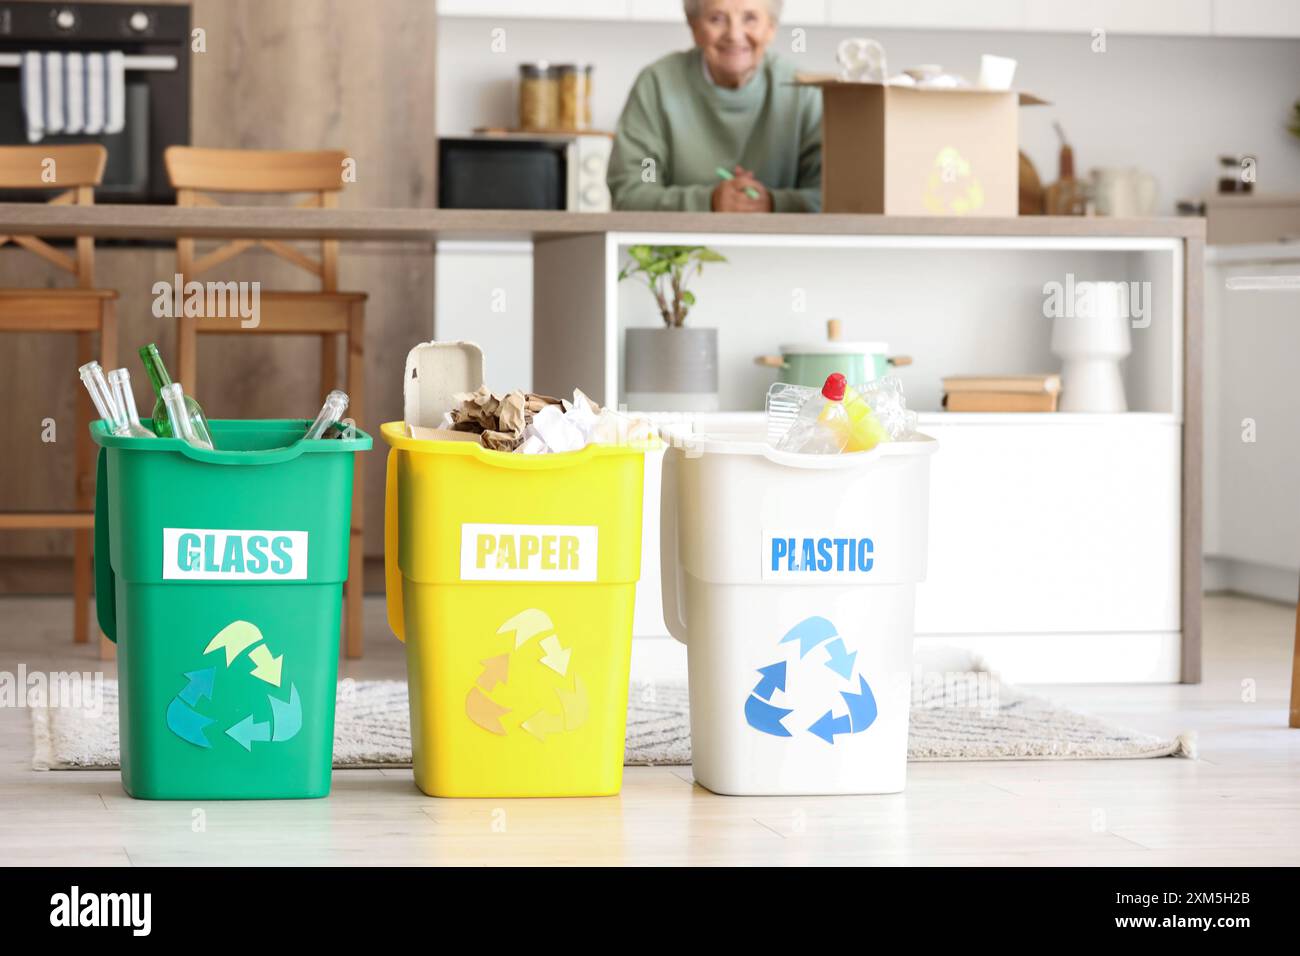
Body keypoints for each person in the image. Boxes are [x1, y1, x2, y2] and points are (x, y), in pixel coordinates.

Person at [607, 0, 822, 213]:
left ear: (771, 28)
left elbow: (828, 195)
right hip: (677, 246)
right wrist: (708, 202)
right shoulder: (658, 87)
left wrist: (773, 203)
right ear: (694, 26)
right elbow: (635, 189)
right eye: (717, 19)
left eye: (750, 19)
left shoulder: (802, 92)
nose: (734, 35)